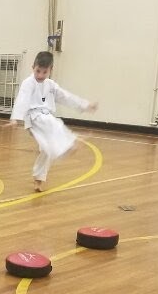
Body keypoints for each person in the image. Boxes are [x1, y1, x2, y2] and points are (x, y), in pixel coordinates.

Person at [9, 50, 97, 191]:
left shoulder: (51, 85)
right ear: (33, 67)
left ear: (51, 70)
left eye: (44, 72)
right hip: (34, 118)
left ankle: (38, 178)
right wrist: (15, 118)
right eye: (38, 71)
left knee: (46, 150)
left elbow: (66, 97)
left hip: (45, 117)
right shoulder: (28, 83)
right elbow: (22, 100)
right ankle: (71, 142)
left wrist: (85, 105)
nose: (40, 75)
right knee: (54, 124)